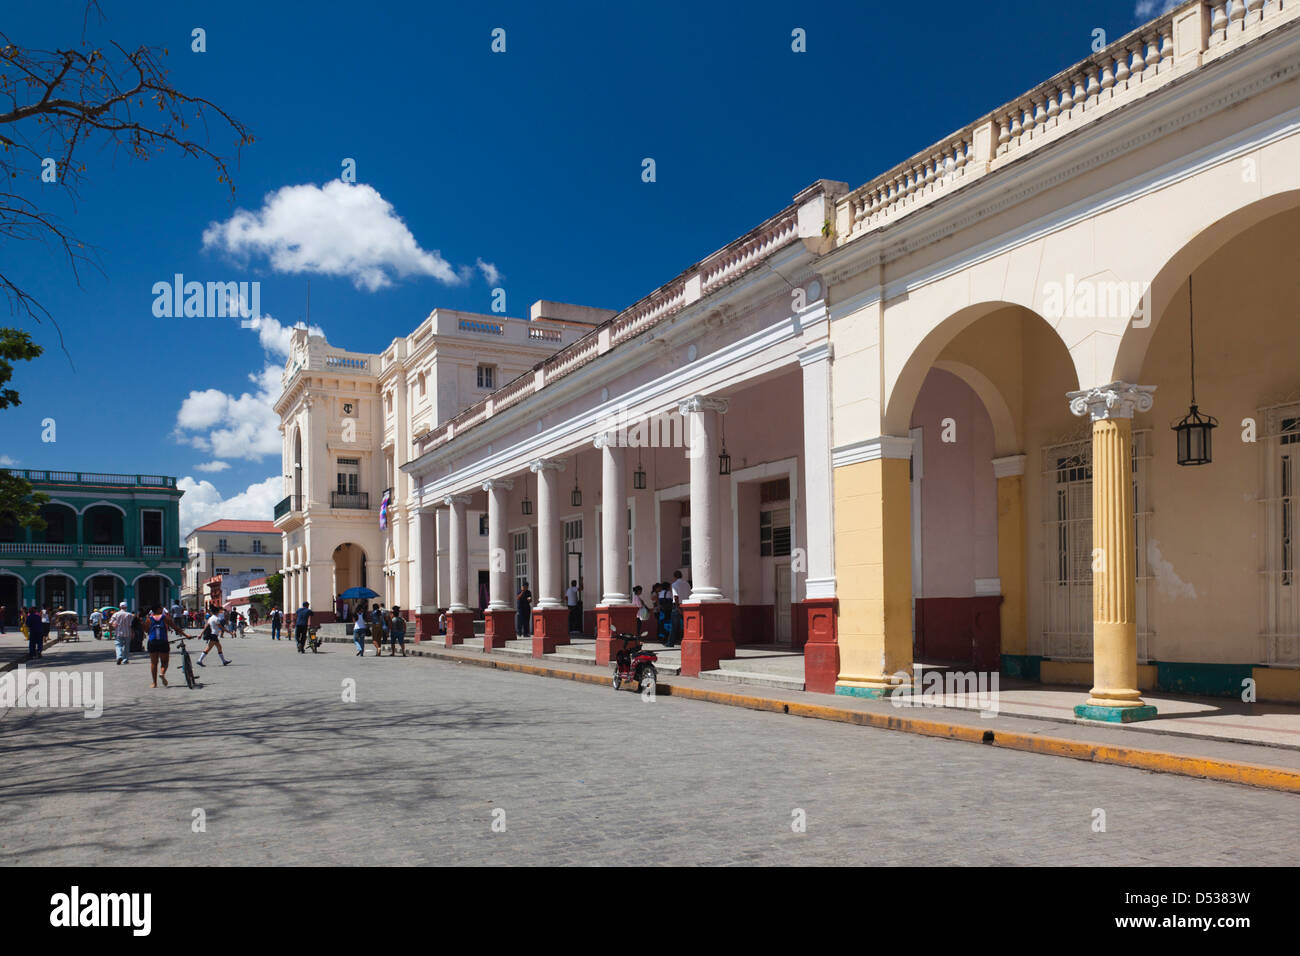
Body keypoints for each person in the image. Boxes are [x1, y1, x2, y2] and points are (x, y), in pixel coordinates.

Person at [144, 603, 174, 688]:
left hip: (152, 642)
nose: (162, 609)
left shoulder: (149, 619)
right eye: (161, 608)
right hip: (163, 642)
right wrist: (186, 635)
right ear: (158, 609)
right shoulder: (164, 618)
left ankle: (154, 683)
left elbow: (146, 630)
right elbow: (175, 627)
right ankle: (162, 673)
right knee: (165, 662)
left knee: (154, 663)